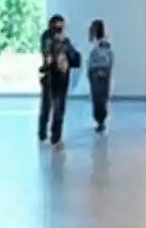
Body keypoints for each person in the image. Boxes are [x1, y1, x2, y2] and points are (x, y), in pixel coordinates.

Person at [38, 14, 80, 145]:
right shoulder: (47, 38)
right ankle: (43, 132)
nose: (59, 29)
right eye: (57, 26)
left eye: (61, 26)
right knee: (47, 106)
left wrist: (64, 45)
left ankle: (56, 135)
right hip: (50, 77)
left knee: (59, 107)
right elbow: (47, 54)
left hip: (62, 78)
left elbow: (75, 59)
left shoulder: (65, 41)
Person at [87, 19, 115, 134]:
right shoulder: (99, 43)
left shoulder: (102, 43)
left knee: (99, 97)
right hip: (99, 70)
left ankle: (100, 120)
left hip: (98, 70)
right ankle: (100, 120)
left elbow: (106, 58)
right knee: (100, 97)